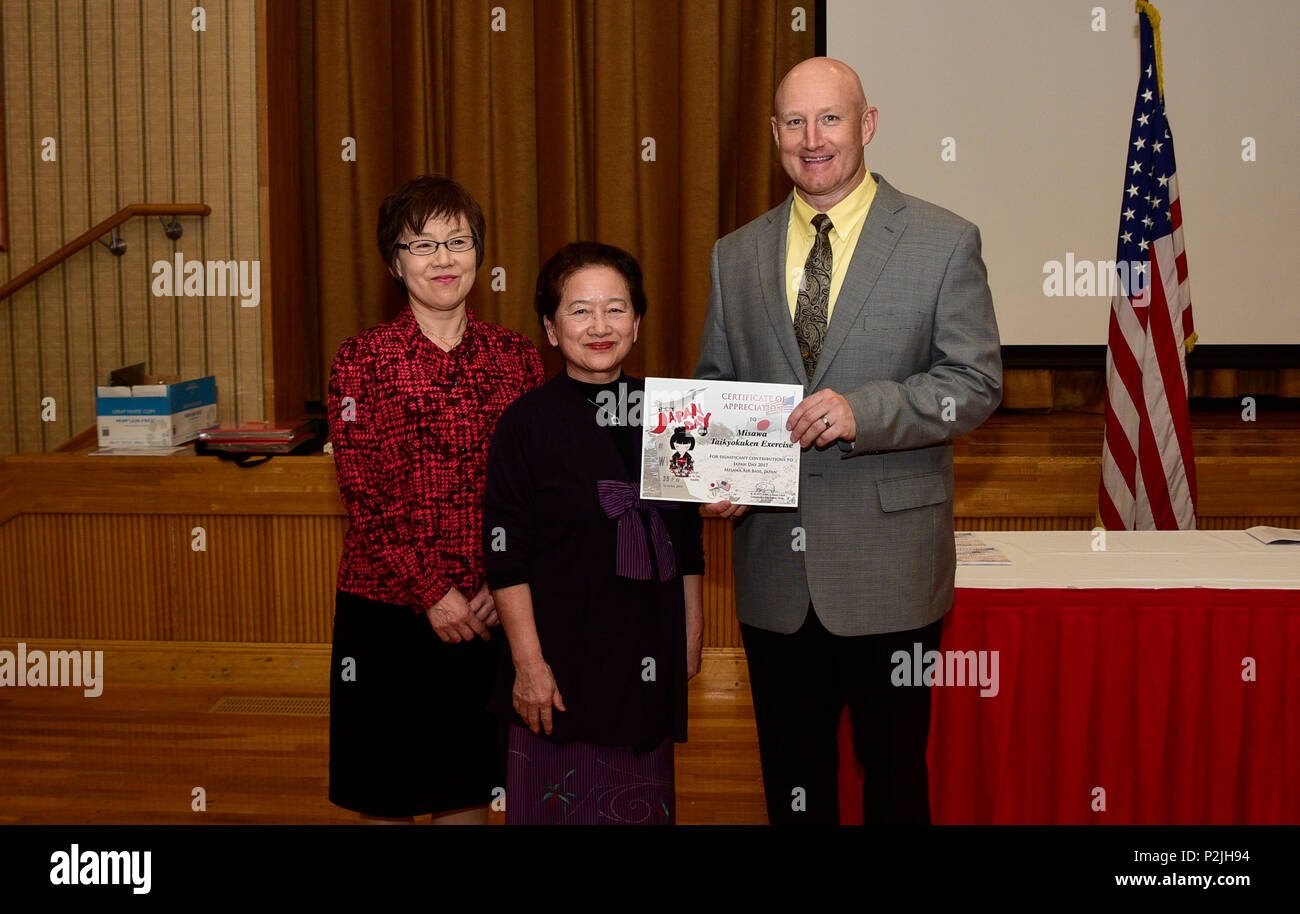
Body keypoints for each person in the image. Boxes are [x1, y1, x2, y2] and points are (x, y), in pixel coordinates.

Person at [694, 57, 1002, 824]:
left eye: (830, 118)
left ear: (867, 124)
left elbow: (975, 383)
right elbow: (717, 383)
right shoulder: (735, 256)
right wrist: (716, 475)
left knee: (895, 783)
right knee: (793, 786)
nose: (812, 139)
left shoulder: (943, 240)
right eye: (794, 122)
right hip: (772, 573)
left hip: (889, 573)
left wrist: (869, 411)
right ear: (774, 135)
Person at [327, 175, 544, 824]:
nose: (443, 258)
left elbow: (530, 489)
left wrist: (491, 581)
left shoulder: (517, 358)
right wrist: (430, 591)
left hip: (486, 611)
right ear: (395, 262)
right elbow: (364, 495)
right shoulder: (361, 360)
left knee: (467, 794)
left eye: (458, 241)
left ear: (479, 252)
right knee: (387, 798)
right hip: (388, 611)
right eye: (421, 245)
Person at [482, 242, 705, 825]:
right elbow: (505, 556)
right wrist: (529, 667)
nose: (600, 325)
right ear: (551, 330)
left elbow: (685, 538)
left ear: (637, 322)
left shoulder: (670, 413)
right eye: (580, 310)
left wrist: (692, 628)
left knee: (638, 807)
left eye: (616, 308)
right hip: (560, 660)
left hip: (646, 653)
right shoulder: (525, 422)